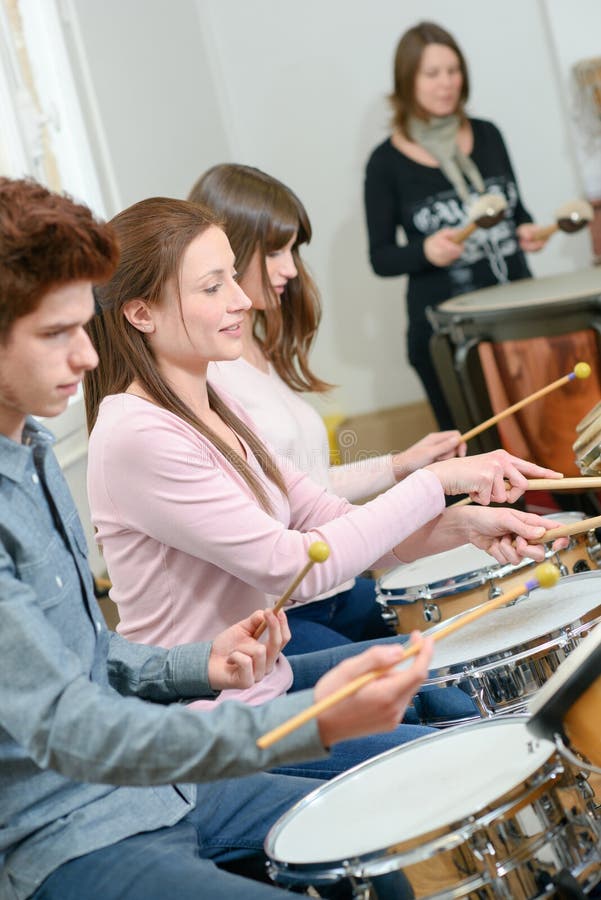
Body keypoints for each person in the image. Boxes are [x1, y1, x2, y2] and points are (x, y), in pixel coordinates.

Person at [0, 175, 437, 900]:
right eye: (56, 333)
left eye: (84, 326)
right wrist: (311, 720)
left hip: (159, 790)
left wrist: (196, 664)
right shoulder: (121, 432)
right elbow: (69, 728)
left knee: (374, 858)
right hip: (64, 832)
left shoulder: (36, 452)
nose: (85, 357)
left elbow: (84, 653)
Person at [84, 195, 565, 772]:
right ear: (141, 313)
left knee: (454, 690)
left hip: (268, 686)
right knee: (456, 759)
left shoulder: (214, 400)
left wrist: (466, 526)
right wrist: (433, 480)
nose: (241, 300)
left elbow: (329, 520)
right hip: (209, 728)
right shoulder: (136, 433)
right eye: (213, 287)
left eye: (234, 279)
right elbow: (291, 563)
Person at [188, 162, 467, 654]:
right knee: (428, 687)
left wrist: (401, 465)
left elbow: (303, 485)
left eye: (293, 250)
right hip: (289, 608)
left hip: (334, 591)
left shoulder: (255, 350)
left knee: (457, 646)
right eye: (275, 250)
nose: (291, 268)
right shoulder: (210, 375)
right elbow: (277, 518)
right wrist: (419, 487)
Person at [364, 21, 547, 430]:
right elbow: (380, 257)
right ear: (407, 81)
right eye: (432, 74)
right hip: (447, 336)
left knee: (545, 435)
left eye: (453, 71)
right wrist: (424, 251)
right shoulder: (386, 163)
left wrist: (527, 230)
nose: (446, 83)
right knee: (482, 453)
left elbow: (516, 210)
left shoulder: (488, 135)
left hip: (518, 318)